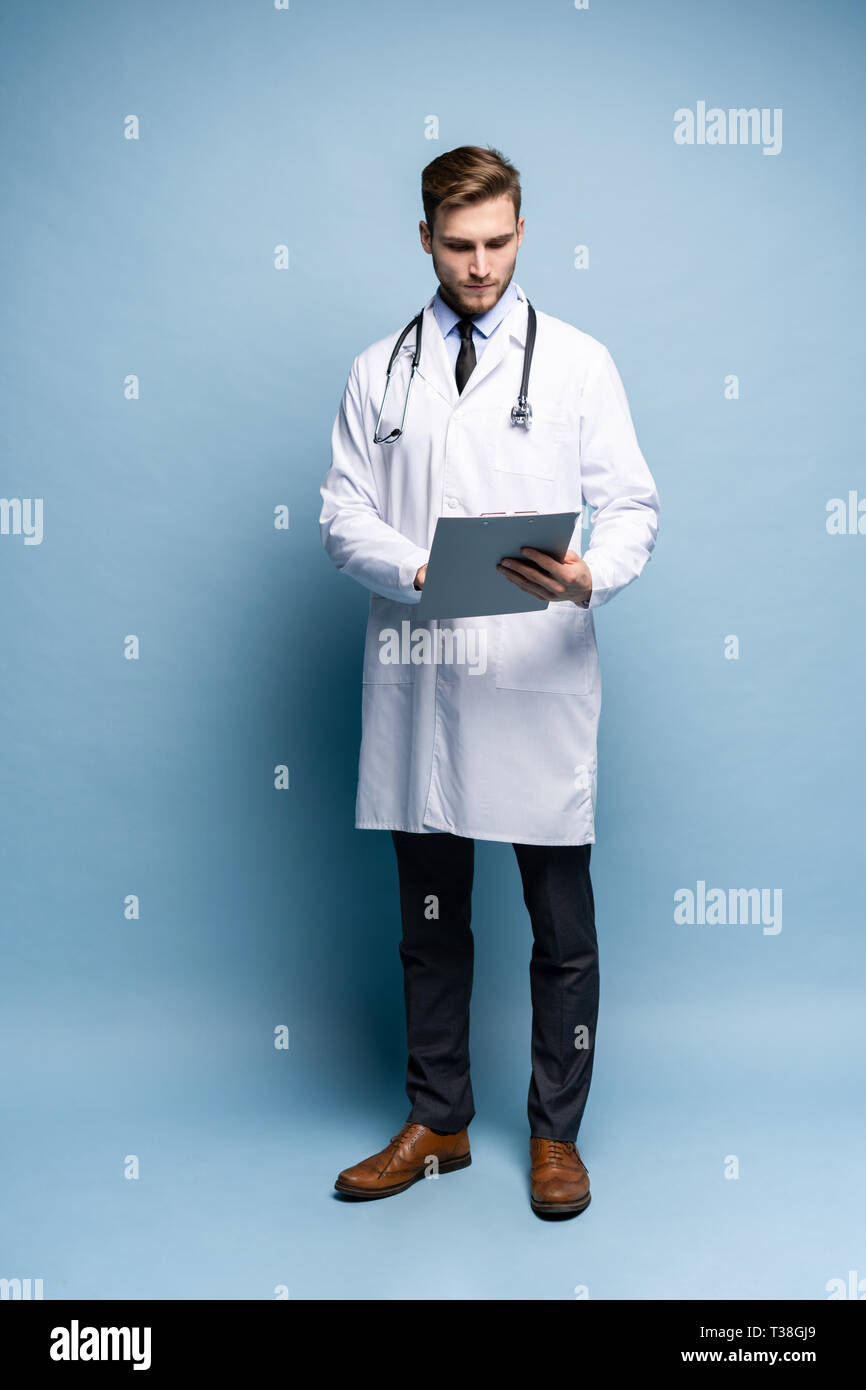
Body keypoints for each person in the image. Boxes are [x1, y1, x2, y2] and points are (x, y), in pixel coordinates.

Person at [319, 144, 659, 1217]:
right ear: (423, 238)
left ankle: (554, 1137)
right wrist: (413, 567)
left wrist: (589, 573)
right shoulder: (379, 369)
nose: (479, 266)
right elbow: (340, 514)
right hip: (423, 673)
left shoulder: (577, 364)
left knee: (560, 931)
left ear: (523, 230)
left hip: (533, 673)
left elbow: (635, 506)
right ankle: (440, 1123)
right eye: (457, 245)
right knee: (430, 918)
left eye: (497, 242)